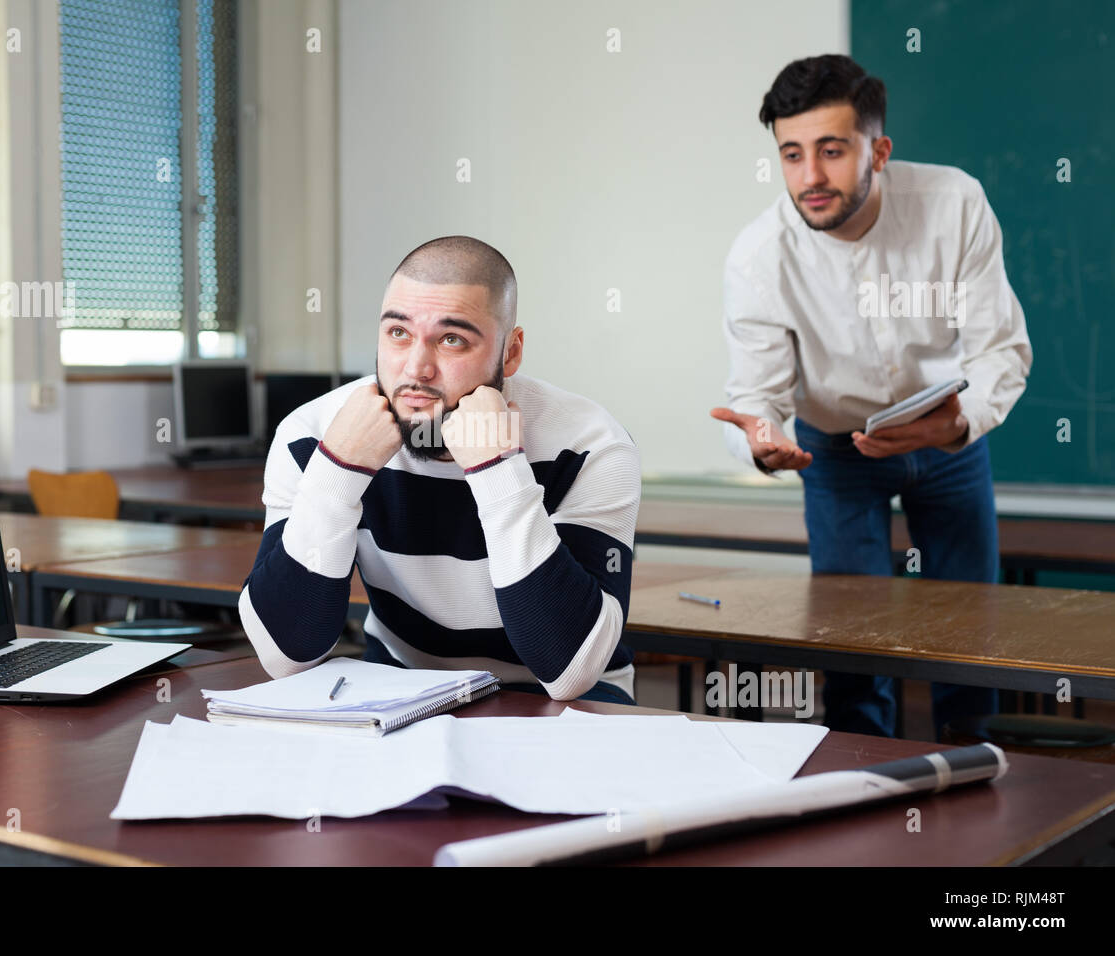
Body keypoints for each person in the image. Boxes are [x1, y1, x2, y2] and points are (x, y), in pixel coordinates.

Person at [711, 54, 1032, 737]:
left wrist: (958, 425)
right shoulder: (758, 256)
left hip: (947, 437)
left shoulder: (955, 203)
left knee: (968, 629)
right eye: (791, 154)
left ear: (878, 151)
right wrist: (763, 445)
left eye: (831, 151)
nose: (810, 177)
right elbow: (758, 397)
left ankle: (975, 766)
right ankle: (863, 781)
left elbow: (1000, 349)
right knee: (852, 645)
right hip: (834, 453)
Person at [240, 236, 641, 703]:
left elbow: (568, 671)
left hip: (565, 704)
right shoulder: (313, 434)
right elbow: (285, 657)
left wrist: (497, 469)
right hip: (401, 691)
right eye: (398, 333)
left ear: (510, 352)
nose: (416, 369)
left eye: (452, 339)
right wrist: (340, 470)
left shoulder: (591, 444)